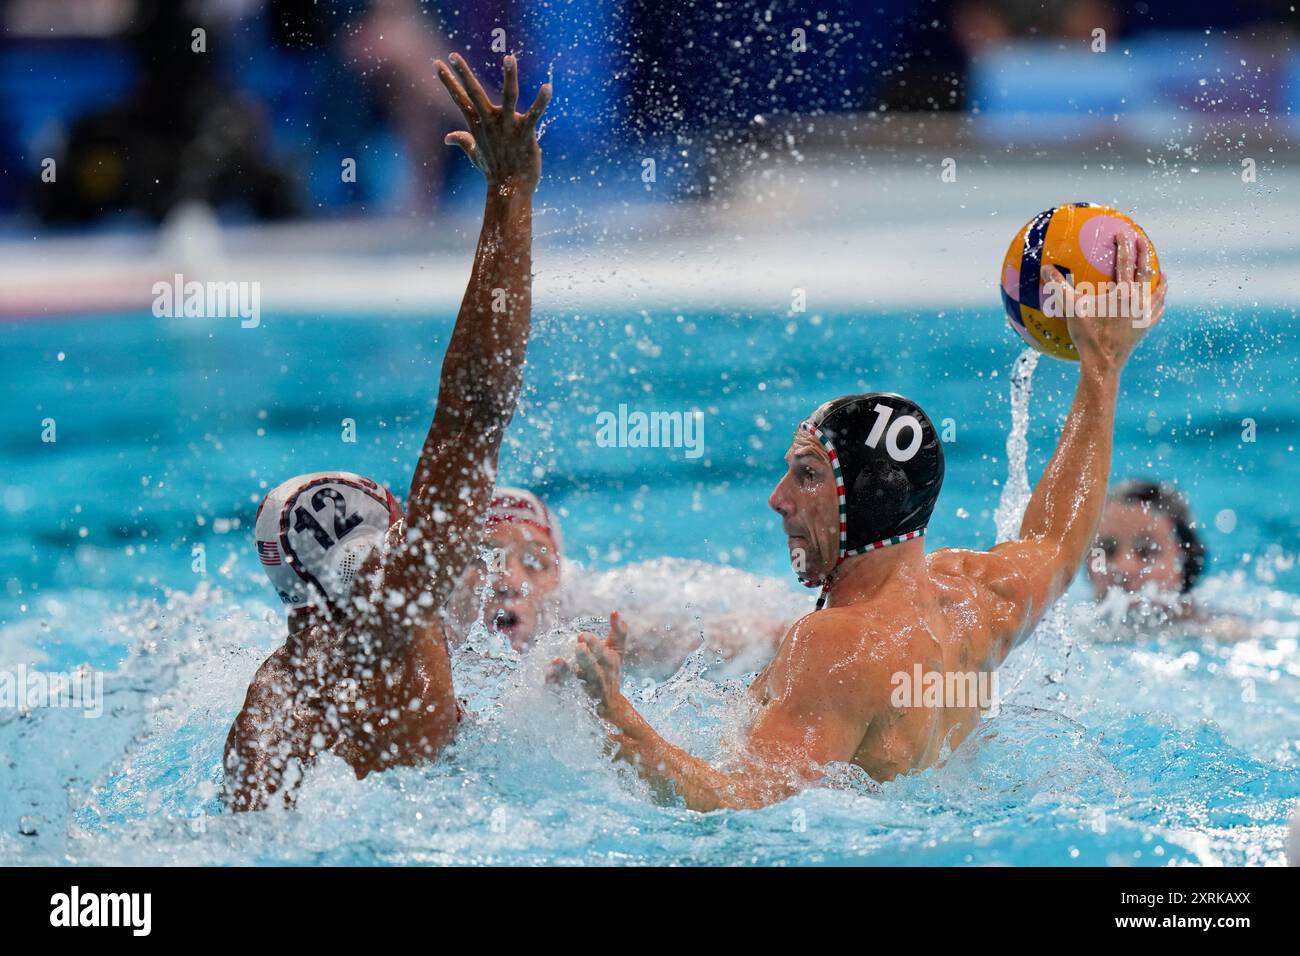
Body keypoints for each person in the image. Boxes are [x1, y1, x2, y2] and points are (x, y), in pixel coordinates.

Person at [561, 236, 1168, 810]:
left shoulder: (834, 646)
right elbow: (1056, 541)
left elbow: (745, 807)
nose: (778, 499)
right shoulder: (973, 602)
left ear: (866, 501)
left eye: (806, 475)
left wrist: (620, 719)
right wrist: (1102, 370)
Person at [223, 54, 551, 811]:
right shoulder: (396, 610)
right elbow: (474, 409)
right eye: (397, 537)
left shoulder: (267, 703)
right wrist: (509, 194)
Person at [444, 487, 792, 674]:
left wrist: (795, 633)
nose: (509, 579)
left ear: (556, 579)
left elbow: (696, 639)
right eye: (486, 558)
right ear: (450, 579)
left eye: (535, 561)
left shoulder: (580, 626)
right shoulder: (426, 634)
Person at [1089, 478, 1250, 640]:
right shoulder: (1074, 627)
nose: (1123, 568)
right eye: (1107, 551)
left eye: (1146, 552)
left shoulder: (1222, 632)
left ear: (1185, 561)